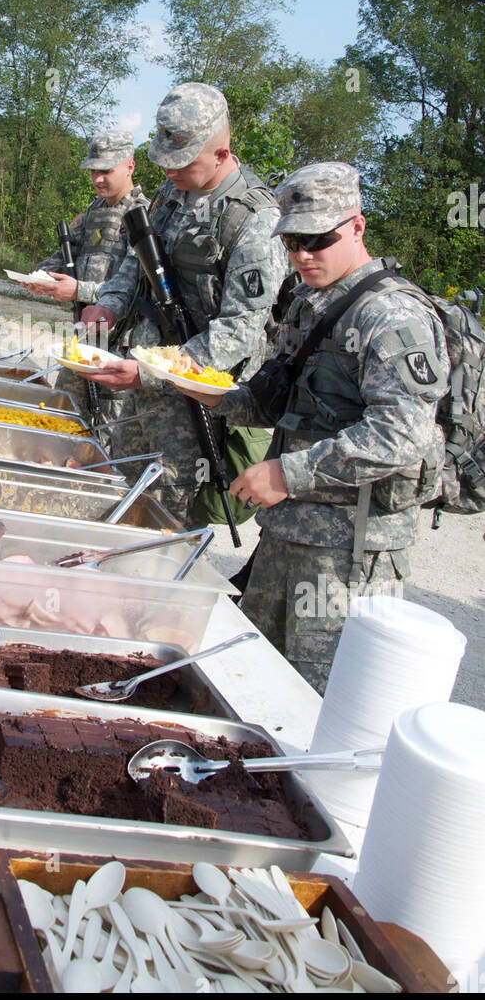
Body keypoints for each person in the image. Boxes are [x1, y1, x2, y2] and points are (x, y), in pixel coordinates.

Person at [177, 161, 449, 693]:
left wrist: (287, 475)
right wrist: (221, 397)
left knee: (314, 699)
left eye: (318, 239)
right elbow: (278, 404)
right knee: (248, 681)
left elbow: (402, 435)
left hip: (349, 555)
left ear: (357, 226)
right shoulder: (308, 303)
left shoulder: (393, 317)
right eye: (293, 240)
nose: (302, 255)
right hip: (289, 536)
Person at [81, 83, 290, 526]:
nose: (170, 170)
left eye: (183, 162)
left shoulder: (255, 220)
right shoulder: (172, 194)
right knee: (119, 483)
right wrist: (110, 305)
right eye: (165, 160)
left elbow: (240, 329)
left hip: (195, 395)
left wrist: (157, 372)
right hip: (143, 376)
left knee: (165, 509)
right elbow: (136, 264)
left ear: (220, 153)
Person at [25, 128, 148, 422]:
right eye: (93, 171)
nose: (97, 179)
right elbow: (68, 255)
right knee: (62, 417)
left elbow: (135, 288)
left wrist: (79, 290)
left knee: (105, 433)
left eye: (106, 170)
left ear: (130, 166)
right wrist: (39, 276)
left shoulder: (143, 216)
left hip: (116, 349)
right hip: (82, 341)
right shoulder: (93, 211)